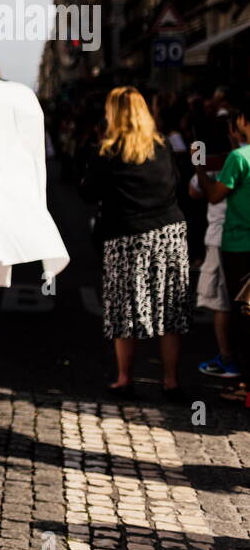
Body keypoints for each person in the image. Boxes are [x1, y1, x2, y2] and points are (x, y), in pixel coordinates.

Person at [82, 86, 191, 402]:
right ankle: (171, 382)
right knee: (170, 312)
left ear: (113, 115)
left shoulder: (107, 151)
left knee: (125, 311)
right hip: (169, 233)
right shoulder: (163, 147)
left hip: (126, 236)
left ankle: (124, 379)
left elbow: (88, 192)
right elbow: (176, 185)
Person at [195, 98, 250, 401]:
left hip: (239, 246)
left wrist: (201, 170)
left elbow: (214, 196)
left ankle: (244, 384)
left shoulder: (239, 158)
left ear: (242, 122)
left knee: (243, 316)